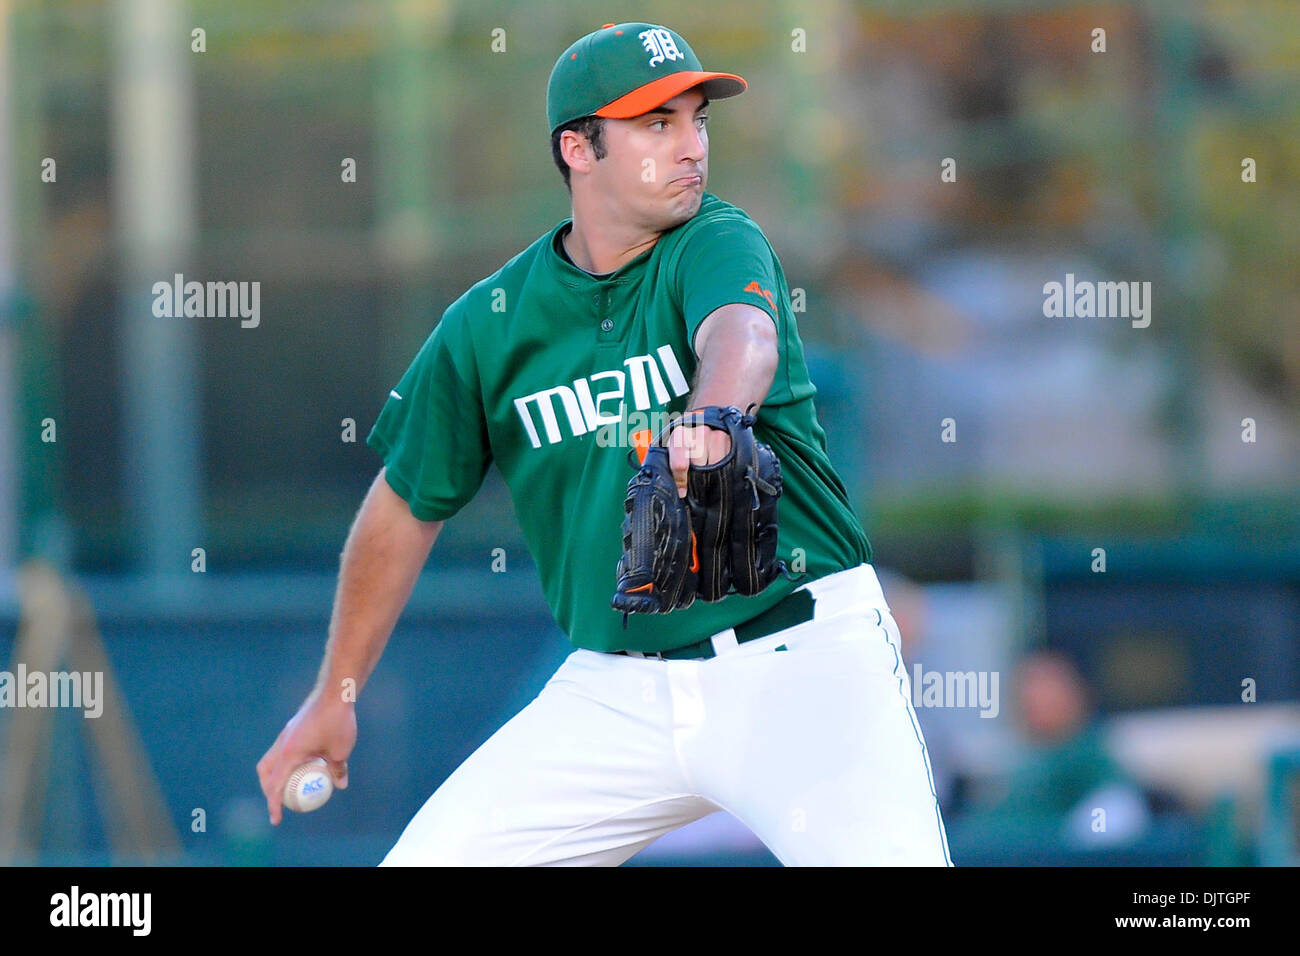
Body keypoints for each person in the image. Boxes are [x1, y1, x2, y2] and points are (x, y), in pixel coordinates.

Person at [257, 21, 950, 866]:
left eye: (698, 119)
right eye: (657, 125)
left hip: (798, 662)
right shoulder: (490, 324)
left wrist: (712, 421)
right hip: (619, 688)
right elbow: (404, 505)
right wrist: (335, 692)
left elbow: (744, 338)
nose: (692, 145)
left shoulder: (714, 238)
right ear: (578, 149)